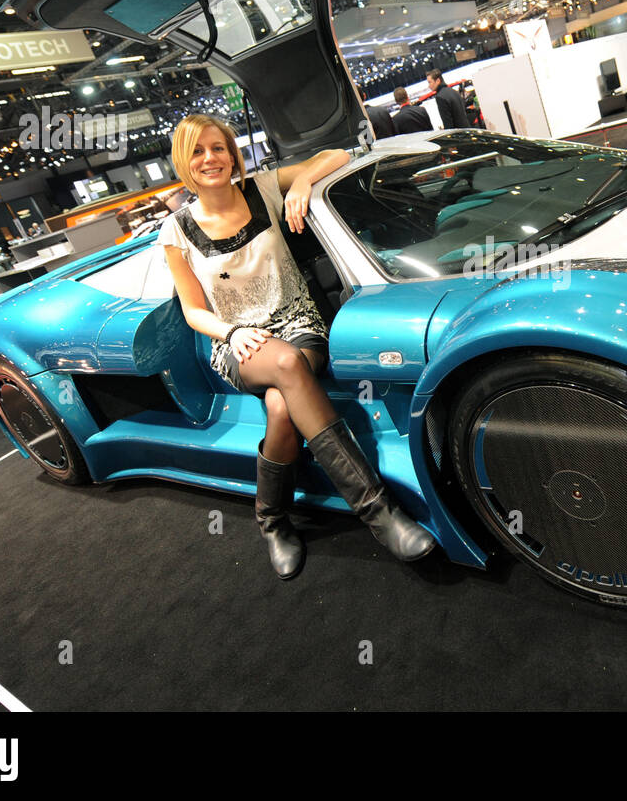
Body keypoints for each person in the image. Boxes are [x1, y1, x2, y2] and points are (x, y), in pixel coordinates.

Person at [160, 114, 435, 579]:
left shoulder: (264, 188)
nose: (211, 159)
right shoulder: (176, 232)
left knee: (282, 404)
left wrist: (303, 180)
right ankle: (380, 514)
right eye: (198, 152)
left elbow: (341, 155)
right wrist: (230, 333)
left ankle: (272, 520)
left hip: (300, 323)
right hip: (239, 344)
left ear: (233, 153)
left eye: (219, 148)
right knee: (283, 368)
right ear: (184, 162)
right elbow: (193, 311)